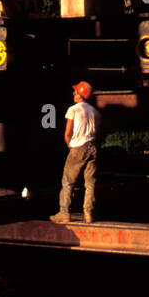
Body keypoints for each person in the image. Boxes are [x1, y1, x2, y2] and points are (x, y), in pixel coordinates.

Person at [51, 81, 100, 224]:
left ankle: (64, 213)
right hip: (92, 147)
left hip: (78, 147)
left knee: (68, 181)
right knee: (90, 183)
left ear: (80, 95)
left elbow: (67, 133)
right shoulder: (95, 112)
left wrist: (70, 146)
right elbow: (99, 132)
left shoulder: (73, 110)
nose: (73, 93)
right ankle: (89, 214)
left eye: (75, 92)